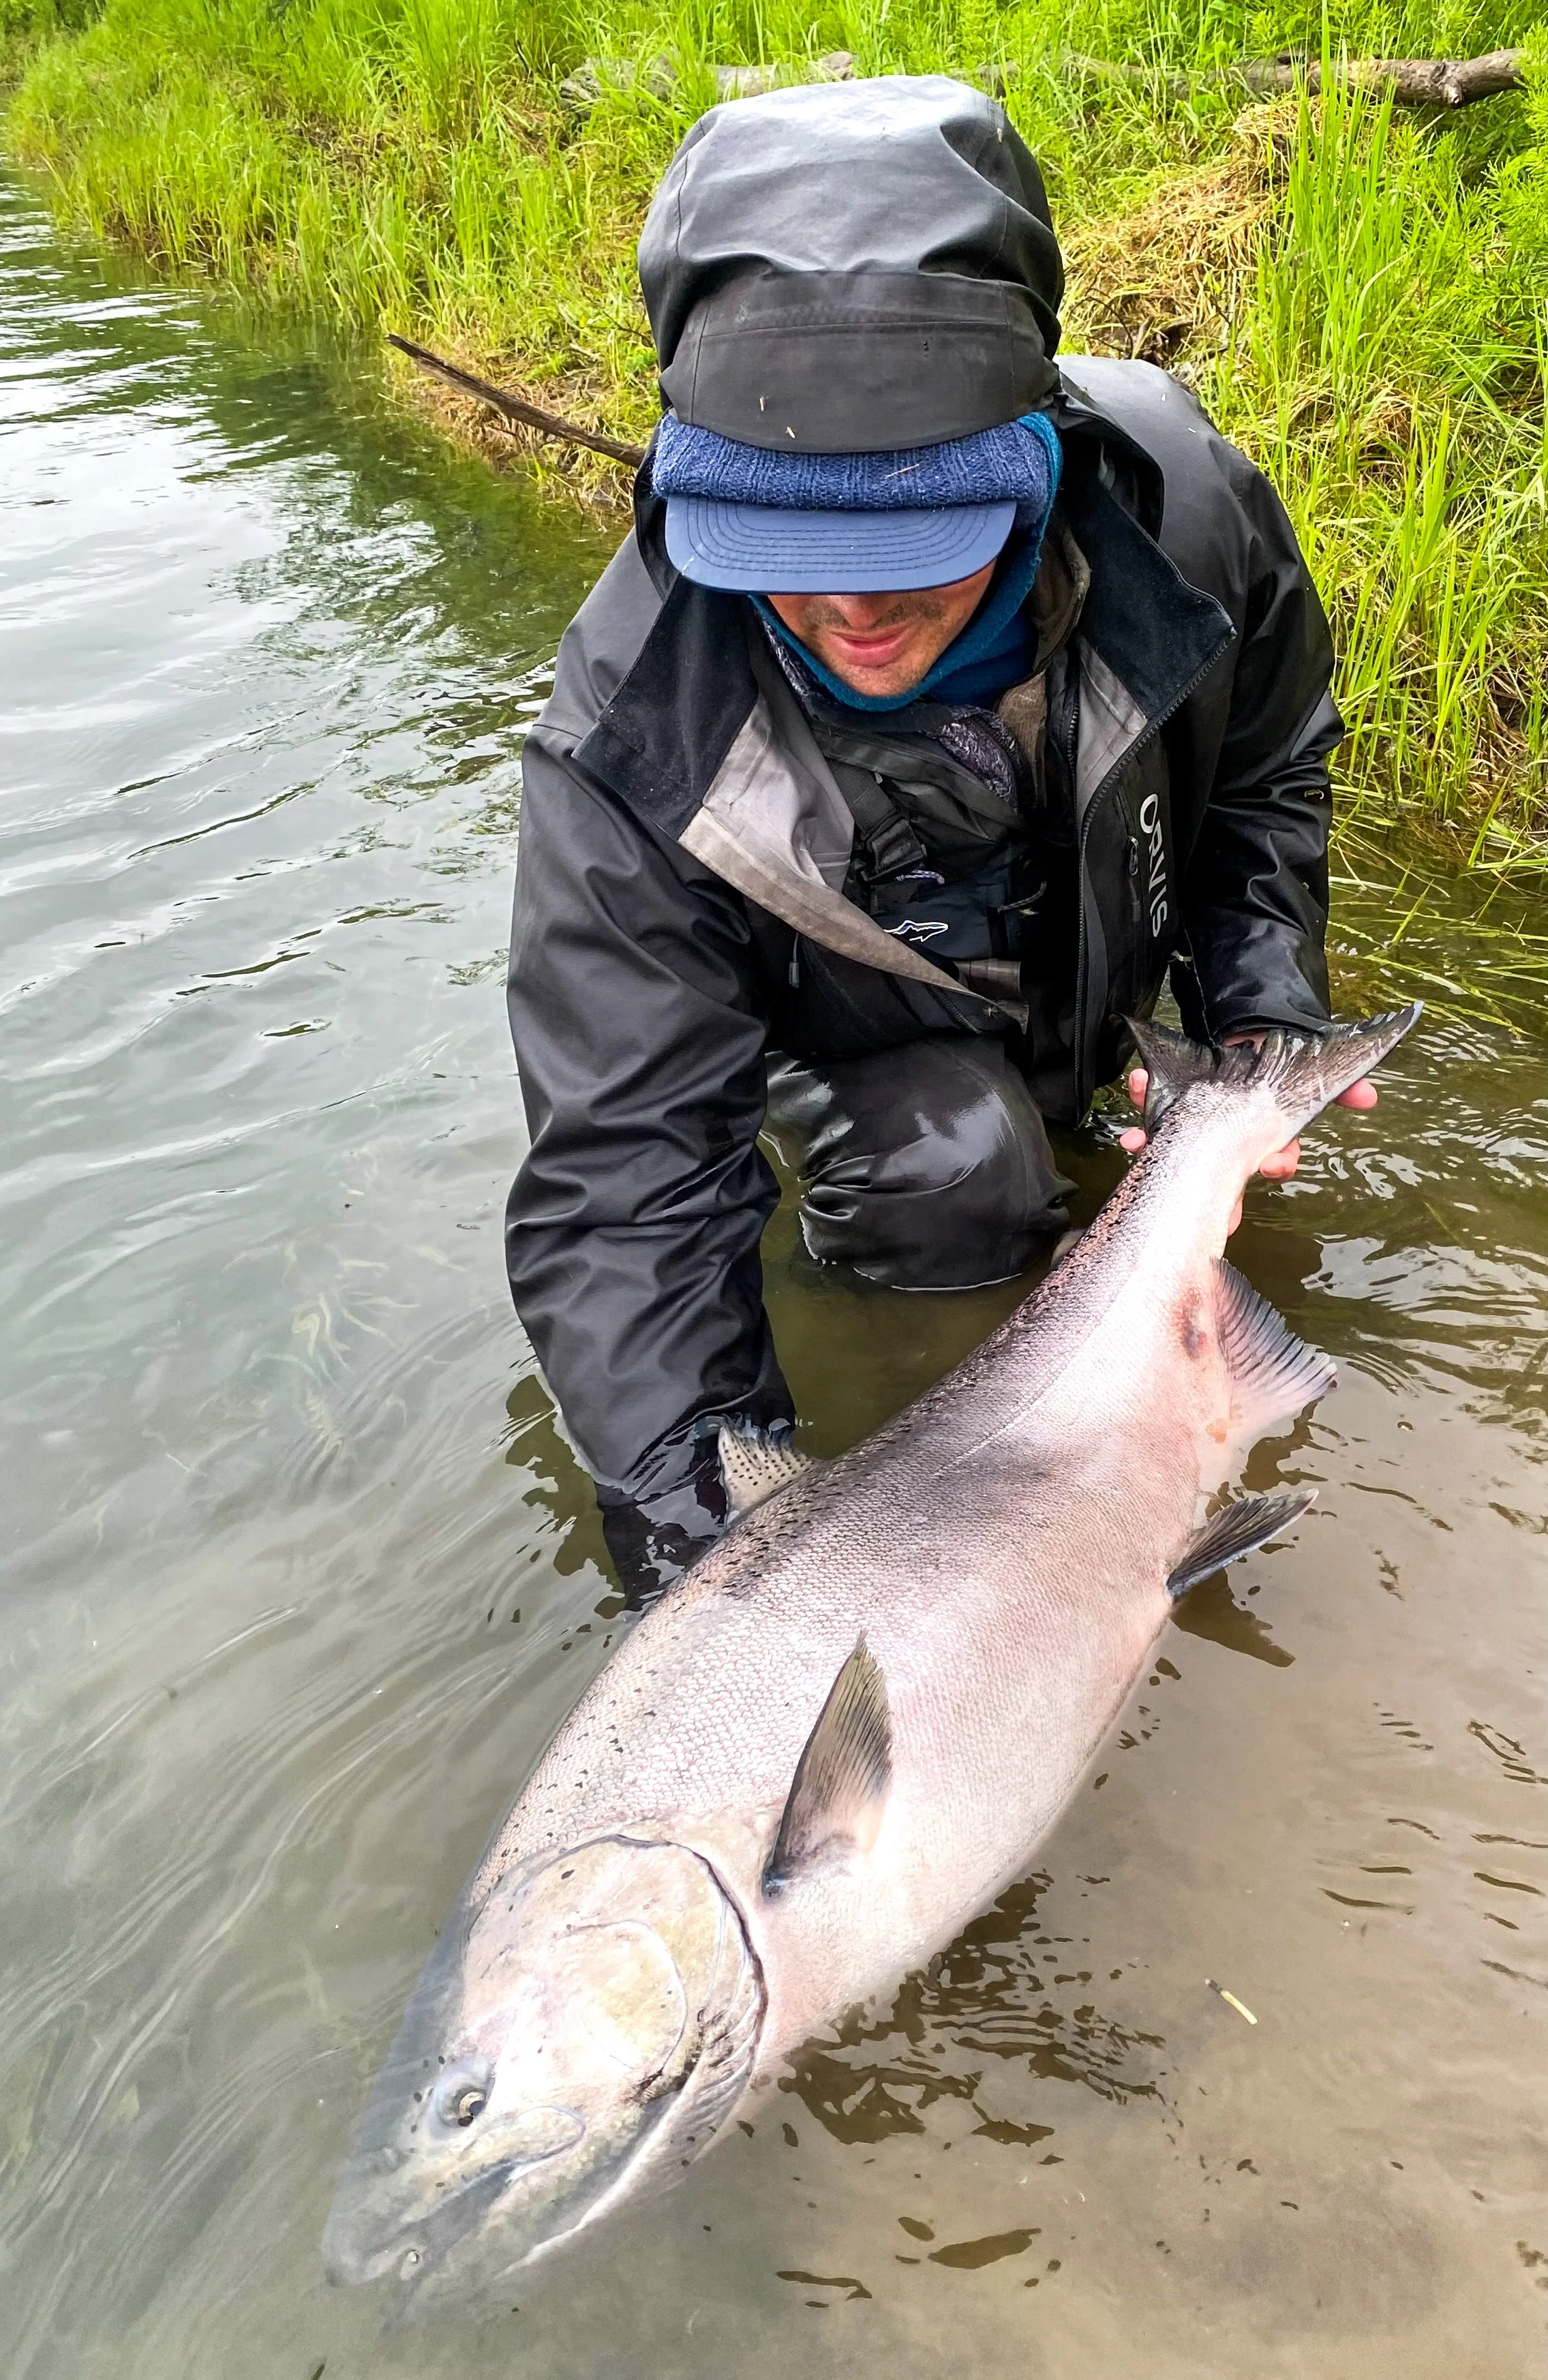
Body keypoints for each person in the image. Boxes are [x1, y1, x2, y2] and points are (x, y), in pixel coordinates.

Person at [504, 74, 1375, 1605]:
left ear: (1029, 462)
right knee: (952, 1171)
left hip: (1091, 972)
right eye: (784, 546)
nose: (848, 606)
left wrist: (1257, 1008)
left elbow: (1267, 767)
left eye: (909, 543)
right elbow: (628, 1183)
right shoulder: (629, 732)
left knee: (1121, 1151)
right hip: (854, 1043)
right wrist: (711, 1588)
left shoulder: (1185, 509)